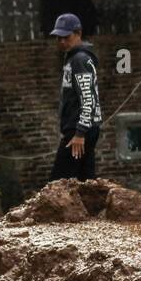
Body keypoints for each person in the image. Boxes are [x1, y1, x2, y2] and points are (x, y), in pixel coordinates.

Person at [48, 13, 101, 181]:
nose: (62, 42)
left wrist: (80, 133)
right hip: (84, 128)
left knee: (58, 183)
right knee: (85, 181)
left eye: (66, 37)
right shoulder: (75, 58)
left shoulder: (79, 59)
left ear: (78, 33)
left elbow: (88, 97)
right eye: (58, 38)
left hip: (79, 130)